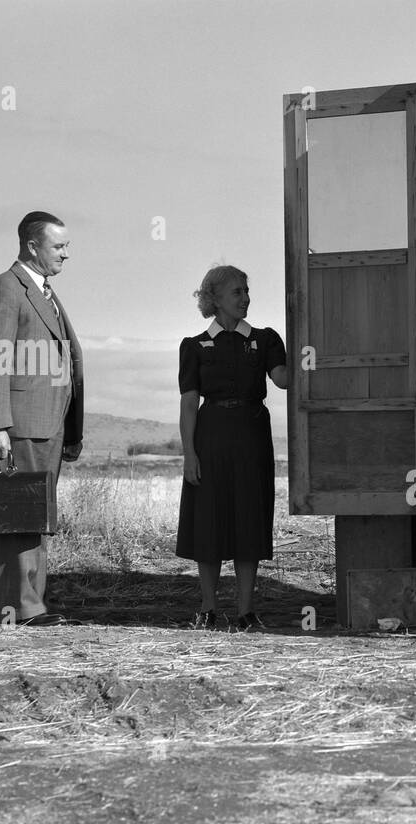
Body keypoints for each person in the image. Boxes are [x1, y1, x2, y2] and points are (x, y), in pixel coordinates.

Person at [0, 211, 84, 625]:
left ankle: (32, 604)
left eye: (67, 246)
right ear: (32, 246)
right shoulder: (4, 289)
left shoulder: (44, 292)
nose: (66, 255)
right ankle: (20, 607)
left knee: (35, 518)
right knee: (16, 518)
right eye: (59, 247)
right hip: (19, 426)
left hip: (49, 425)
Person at [176, 266, 287, 629]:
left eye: (246, 291)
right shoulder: (193, 346)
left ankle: (245, 611)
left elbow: (283, 380)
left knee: (248, 518)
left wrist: (310, 349)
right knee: (208, 518)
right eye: (237, 292)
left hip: (252, 437)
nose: (245, 298)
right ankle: (207, 609)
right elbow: (189, 402)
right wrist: (189, 453)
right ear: (214, 299)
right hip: (210, 438)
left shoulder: (266, 339)